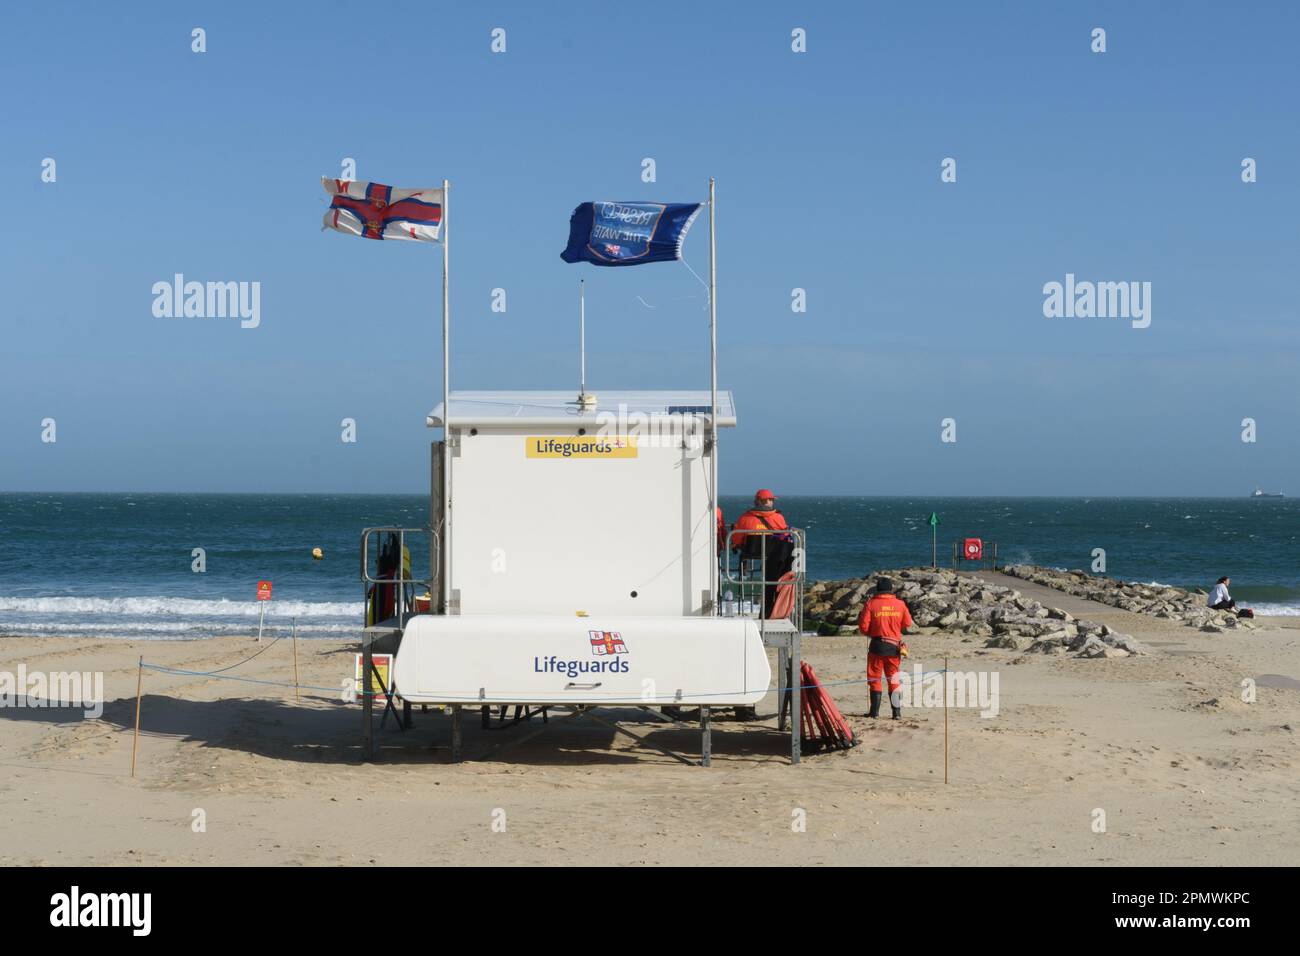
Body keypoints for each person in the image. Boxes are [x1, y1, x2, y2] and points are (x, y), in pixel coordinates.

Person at [730, 489, 794, 617]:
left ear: (756, 501)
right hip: (774, 556)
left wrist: (736, 545)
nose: (770, 502)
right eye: (769, 500)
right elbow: (786, 536)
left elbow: (736, 539)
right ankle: (774, 607)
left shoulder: (745, 518)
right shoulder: (778, 518)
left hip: (750, 552)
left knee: (743, 553)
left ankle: (744, 570)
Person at [858, 577, 914, 719]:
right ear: (891, 590)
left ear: (877, 590)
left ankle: (874, 713)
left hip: (876, 645)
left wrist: (874, 632)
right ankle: (897, 713)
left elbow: (863, 627)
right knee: (893, 679)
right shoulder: (900, 604)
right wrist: (894, 629)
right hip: (894, 647)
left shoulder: (871, 604)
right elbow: (907, 623)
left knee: (874, 678)